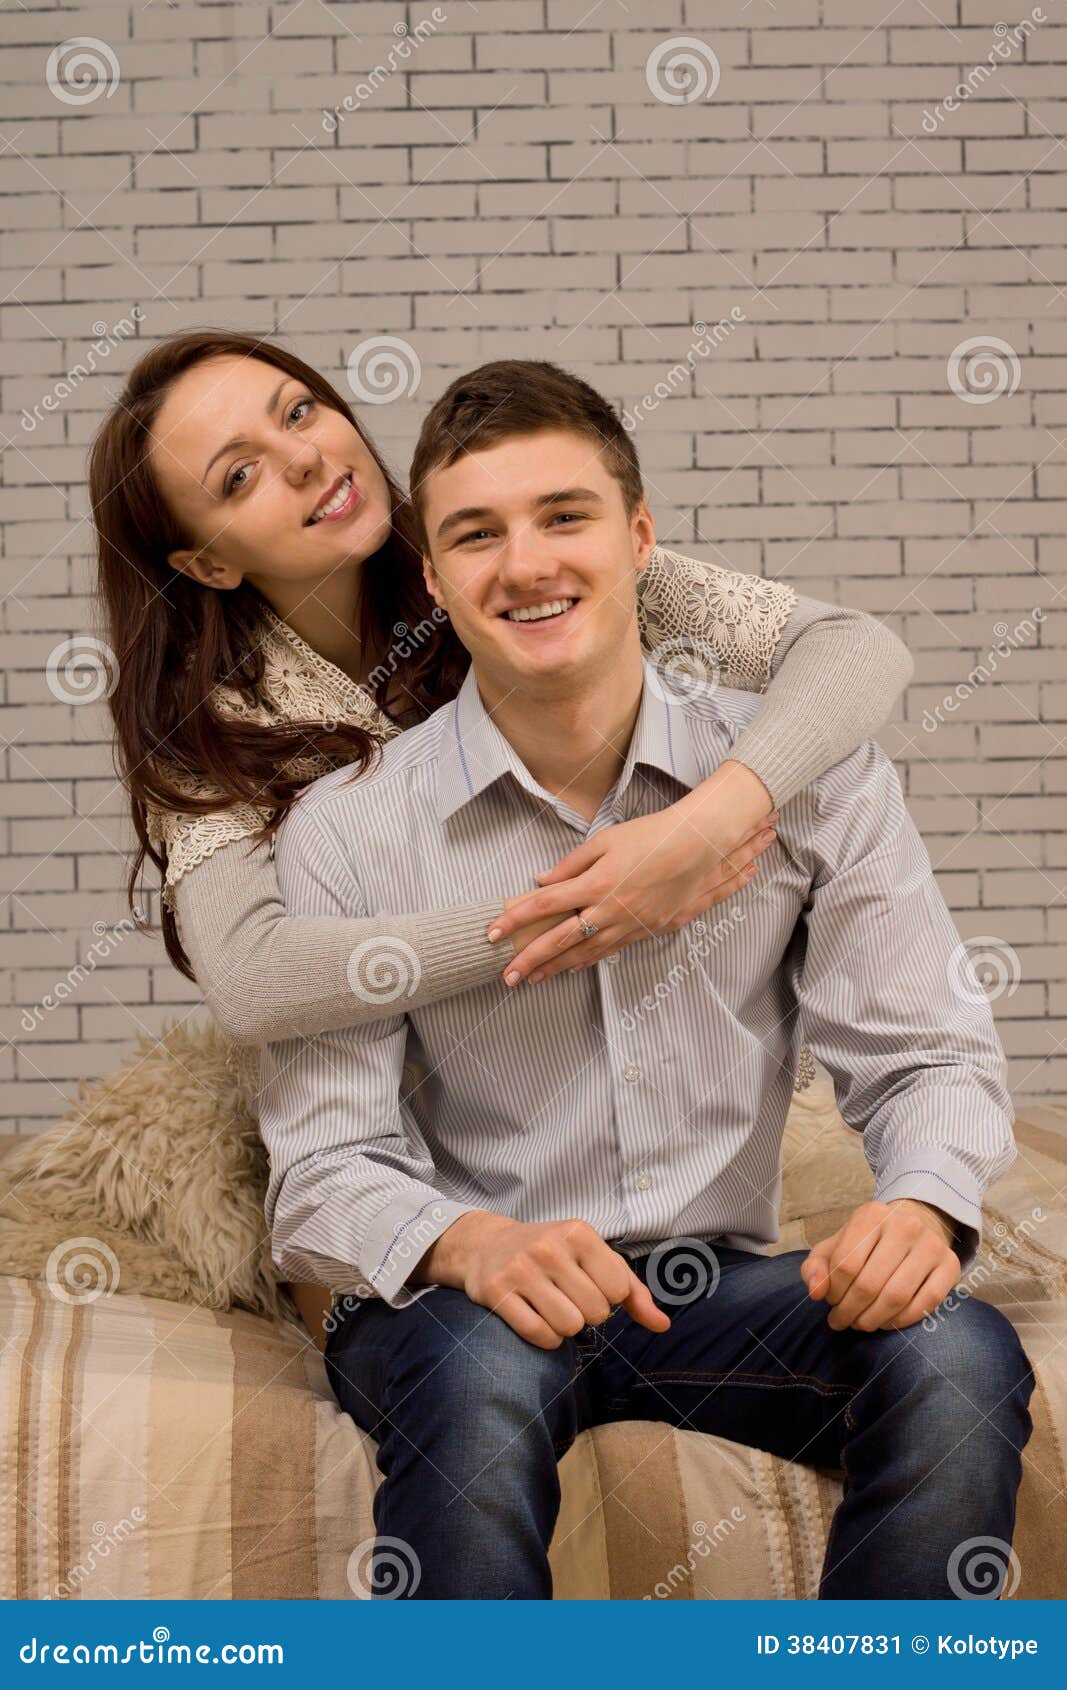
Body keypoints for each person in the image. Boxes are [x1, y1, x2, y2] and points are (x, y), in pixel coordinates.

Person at [257, 359, 1035, 1601]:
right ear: (437, 580)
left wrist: (923, 1204)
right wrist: (470, 1243)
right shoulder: (348, 830)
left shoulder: (801, 775)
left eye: (563, 517)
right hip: (465, 1301)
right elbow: (323, 1167)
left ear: (638, 538)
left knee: (957, 1353)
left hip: (710, 1290)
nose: (524, 565)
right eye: (474, 535)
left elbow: (925, 1051)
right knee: (475, 1378)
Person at [92, 331, 911, 1345]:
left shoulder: (512, 558)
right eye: (241, 473)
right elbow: (253, 976)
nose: (301, 456)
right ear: (208, 558)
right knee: (441, 1335)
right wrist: (581, 912)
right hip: (390, 1127)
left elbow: (854, 649)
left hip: (590, 1094)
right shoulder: (207, 727)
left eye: (297, 410)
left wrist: (703, 825)